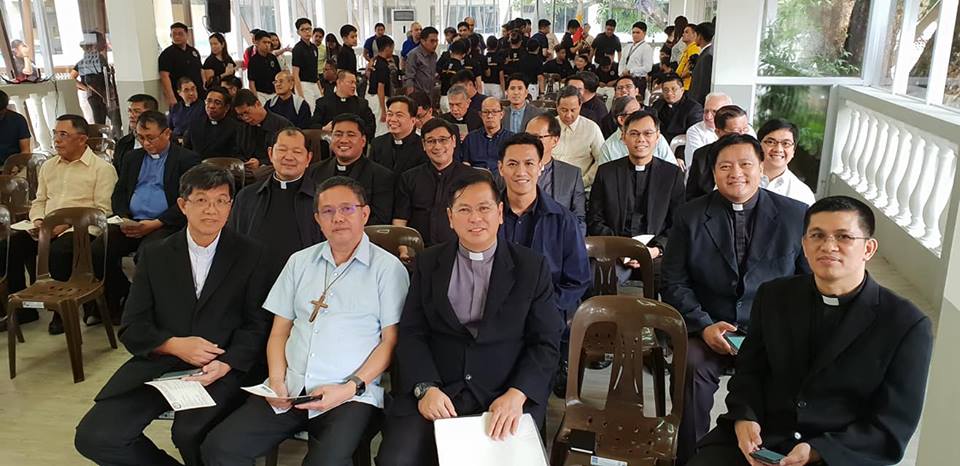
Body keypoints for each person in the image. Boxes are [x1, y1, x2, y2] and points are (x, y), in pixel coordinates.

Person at [689, 196, 933, 466]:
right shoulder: (774, 296)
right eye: (817, 235)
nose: (828, 246)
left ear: (868, 248)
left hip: (839, 452)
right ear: (804, 245)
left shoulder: (906, 325)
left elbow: (890, 425)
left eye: (844, 237)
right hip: (763, 437)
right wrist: (744, 417)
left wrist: (818, 451)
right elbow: (750, 371)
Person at [201, 174, 408, 465]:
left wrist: (350, 387)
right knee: (220, 447)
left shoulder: (388, 269)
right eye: (328, 211)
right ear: (318, 220)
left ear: (365, 213)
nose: (338, 218)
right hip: (290, 389)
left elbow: (391, 341)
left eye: (347, 208)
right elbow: (279, 332)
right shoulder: (299, 261)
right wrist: (276, 380)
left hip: (349, 395)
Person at [74, 164, 270, 466]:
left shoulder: (252, 254)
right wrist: (172, 344)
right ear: (182, 205)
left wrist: (228, 363)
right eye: (201, 200)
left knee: (190, 432)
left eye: (221, 200)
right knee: (96, 435)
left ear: (231, 205)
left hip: (220, 369)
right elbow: (133, 326)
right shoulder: (156, 254)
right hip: (160, 364)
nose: (211, 210)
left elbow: (257, 326)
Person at [376, 171, 564, 466]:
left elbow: (546, 342)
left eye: (484, 208)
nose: (475, 218)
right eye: (464, 210)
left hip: (503, 391)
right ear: (450, 218)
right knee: (396, 459)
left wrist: (518, 393)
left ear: (500, 212)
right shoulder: (428, 263)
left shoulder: (531, 267)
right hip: (439, 390)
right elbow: (412, 333)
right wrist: (426, 388)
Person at [661, 134, 810, 464]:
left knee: (791, 375)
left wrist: (782, 329)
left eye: (745, 165)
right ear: (713, 172)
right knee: (692, 368)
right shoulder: (690, 215)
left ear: (761, 166)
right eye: (725, 166)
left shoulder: (795, 215)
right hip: (710, 326)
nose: (736, 173)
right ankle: (691, 456)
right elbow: (673, 280)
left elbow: (807, 284)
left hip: (771, 331)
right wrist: (704, 325)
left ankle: (768, 454)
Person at [4, 115, 117, 335]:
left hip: (81, 230)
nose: (57, 140)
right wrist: (39, 221)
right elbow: (40, 201)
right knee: (8, 247)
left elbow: (103, 211)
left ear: (82, 139)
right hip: (46, 227)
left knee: (58, 250)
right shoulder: (48, 166)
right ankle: (24, 310)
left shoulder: (101, 169)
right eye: (55, 134)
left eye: (63, 135)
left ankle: (62, 310)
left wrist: (63, 226)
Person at [101, 111, 201, 323]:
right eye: (140, 137)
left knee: (148, 253)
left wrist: (156, 223)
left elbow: (188, 201)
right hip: (132, 222)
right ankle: (120, 294)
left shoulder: (186, 159)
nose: (145, 143)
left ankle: (143, 308)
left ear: (167, 133)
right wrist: (123, 217)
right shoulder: (132, 158)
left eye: (150, 137)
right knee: (98, 249)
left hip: (166, 224)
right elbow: (119, 192)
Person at [588, 111, 685, 283]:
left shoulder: (672, 174)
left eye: (648, 133)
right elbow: (595, 218)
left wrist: (656, 249)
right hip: (615, 250)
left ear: (657, 137)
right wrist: (620, 248)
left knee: (672, 282)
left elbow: (678, 223)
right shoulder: (607, 172)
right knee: (596, 278)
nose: (641, 139)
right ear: (623, 137)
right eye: (634, 133)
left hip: (655, 252)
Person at [228, 127, 322, 278]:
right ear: (271, 154)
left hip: (306, 282)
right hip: (255, 282)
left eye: (297, 152)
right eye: (282, 150)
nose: (289, 157)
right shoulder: (247, 196)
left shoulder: (323, 199)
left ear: (308, 159)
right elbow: (233, 244)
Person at [393, 118, 484, 249]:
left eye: (443, 140)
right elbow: (400, 220)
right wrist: (403, 249)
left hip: (460, 251)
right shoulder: (409, 178)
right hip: (418, 252)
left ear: (453, 141)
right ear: (424, 145)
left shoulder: (473, 178)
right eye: (431, 141)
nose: (437, 146)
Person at [308, 113, 395, 225]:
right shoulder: (314, 171)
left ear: (363, 141)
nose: (344, 140)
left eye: (351, 135)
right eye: (338, 134)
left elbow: (380, 220)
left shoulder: (382, 176)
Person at [525, 115, 585, 230]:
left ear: (555, 140)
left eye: (537, 137)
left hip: (559, 239)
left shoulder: (572, 175)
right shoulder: (511, 172)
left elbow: (579, 220)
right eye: (527, 137)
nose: (530, 142)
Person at [686, 105, 751, 201]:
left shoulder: (754, 153)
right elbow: (692, 195)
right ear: (718, 132)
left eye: (745, 129)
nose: (742, 135)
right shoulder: (702, 156)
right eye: (736, 131)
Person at [598, 95, 679, 167]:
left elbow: (672, 168)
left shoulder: (656, 137)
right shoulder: (608, 148)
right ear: (621, 120)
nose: (641, 115)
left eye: (641, 110)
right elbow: (606, 179)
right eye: (636, 113)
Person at [553, 85, 604, 189]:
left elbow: (602, 159)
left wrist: (585, 180)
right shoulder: (548, 126)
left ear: (580, 106)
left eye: (573, 110)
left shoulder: (591, 128)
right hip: (550, 185)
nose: (568, 115)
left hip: (581, 187)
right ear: (556, 106)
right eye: (563, 110)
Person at [234, 89, 293, 175]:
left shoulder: (282, 124)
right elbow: (238, 151)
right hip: (246, 170)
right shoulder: (243, 126)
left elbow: (287, 153)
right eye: (241, 115)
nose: (245, 118)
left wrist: (260, 162)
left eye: (246, 112)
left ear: (258, 104)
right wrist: (244, 162)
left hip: (273, 169)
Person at [758, 119, 816, 205]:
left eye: (786, 144)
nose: (778, 149)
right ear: (758, 146)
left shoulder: (803, 194)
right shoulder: (740, 179)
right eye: (771, 142)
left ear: (793, 151)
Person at [311, 69, 377, 140]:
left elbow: (370, 127)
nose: (354, 86)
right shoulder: (323, 102)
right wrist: (324, 128)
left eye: (355, 83)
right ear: (339, 82)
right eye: (351, 82)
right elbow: (313, 125)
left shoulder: (362, 104)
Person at [370, 96, 428, 174]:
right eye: (390, 114)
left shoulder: (423, 146)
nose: (393, 119)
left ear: (413, 121)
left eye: (399, 115)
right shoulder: (377, 143)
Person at [184, 86, 241, 158]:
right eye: (209, 101)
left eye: (217, 103)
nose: (211, 106)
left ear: (227, 107)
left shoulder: (234, 128)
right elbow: (186, 150)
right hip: (196, 167)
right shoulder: (195, 123)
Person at [461, 98, 513, 176]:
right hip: (476, 180)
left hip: (502, 181)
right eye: (485, 112)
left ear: (501, 114)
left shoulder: (512, 139)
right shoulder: (470, 138)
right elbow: (465, 164)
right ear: (481, 115)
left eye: (494, 112)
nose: (489, 116)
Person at [158, 23, 204, 106]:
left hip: (198, 93)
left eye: (180, 34)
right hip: (180, 95)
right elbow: (164, 76)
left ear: (187, 34)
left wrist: (204, 86)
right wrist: (171, 97)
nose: (177, 37)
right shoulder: (167, 54)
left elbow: (200, 70)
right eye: (174, 34)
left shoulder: (193, 51)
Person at [651, 73, 703, 142]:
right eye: (665, 90)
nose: (669, 93)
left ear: (682, 90)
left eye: (673, 89)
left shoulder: (694, 108)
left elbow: (694, 134)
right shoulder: (657, 104)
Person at [684, 92, 732, 168]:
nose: (708, 117)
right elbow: (698, 164)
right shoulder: (695, 131)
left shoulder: (742, 129)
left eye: (714, 112)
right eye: (706, 111)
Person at [70, 33, 109, 124]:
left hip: (101, 95)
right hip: (91, 96)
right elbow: (72, 78)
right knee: (94, 122)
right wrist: (86, 89)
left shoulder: (101, 60)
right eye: (101, 40)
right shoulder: (83, 63)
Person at [115, 94, 159, 170]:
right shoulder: (123, 143)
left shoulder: (163, 140)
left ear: (151, 114)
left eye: (137, 111)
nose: (131, 115)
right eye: (129, 111)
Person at [290, 18, 322, 113]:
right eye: (303, 30)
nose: (307, 32)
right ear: (298, 32)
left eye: (309, 29)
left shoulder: (314, 48)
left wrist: (320, 88)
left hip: (314, 83)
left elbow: (314, 70)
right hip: (303, 84)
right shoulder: (297, 49)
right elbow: (295, 73)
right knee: (310, 111)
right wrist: (300, 94)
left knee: (321, 108)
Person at [367, 35, 397, 131]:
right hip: (379, 99)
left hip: (371, 97)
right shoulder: (383, 65)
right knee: (381, 129)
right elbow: (381, 87)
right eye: (392, 48)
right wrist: (384, 110)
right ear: (387, 48)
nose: (392, 51)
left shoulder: (375, 61)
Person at [247, 30, 282, 102]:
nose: (267, 45)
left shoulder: (273, 57)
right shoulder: (253, 61)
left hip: (275, 92)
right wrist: (255, 98)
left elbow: (279, 75)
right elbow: (251, 82)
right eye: (264, 42)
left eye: (269, 42)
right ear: (257, 43)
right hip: (261, 94)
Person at [404, 26, 439, 95]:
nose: (435, 44)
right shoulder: (414, 54)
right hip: (417, 95)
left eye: (436, 41)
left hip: (430, 94)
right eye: (432, 41)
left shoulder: (434, 55)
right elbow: (409, 78)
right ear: (423, 41)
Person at [0, 90, 32, 164]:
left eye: (1, 114)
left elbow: (25, 151)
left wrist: (17, 165)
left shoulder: (18, 120)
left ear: (6, 108)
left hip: (12, 164)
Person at [688, 22, 714, 105]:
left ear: (700, 36)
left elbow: (703, 86)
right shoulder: (704, 54)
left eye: (695, 34)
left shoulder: (707, 56)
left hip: (698, 104)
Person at [676, 24, 701, 91]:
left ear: (694, 34)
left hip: (687, 86)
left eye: (686, 32)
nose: (683, 34)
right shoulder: (688, 49)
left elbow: (691, 69)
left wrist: (680, 77)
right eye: (683, 32)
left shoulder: (694, 48)